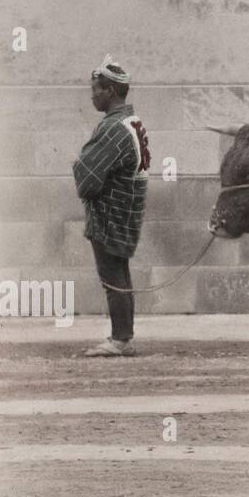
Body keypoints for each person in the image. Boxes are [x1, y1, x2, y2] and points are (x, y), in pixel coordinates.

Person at [72, 55, 150, 357]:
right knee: (120, 274)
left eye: (96, 89)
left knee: (112, 277)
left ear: (111, 92)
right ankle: (124, 336)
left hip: (111, 213)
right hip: (127, 210)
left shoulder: (113, 128)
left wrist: (77, 165)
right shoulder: (131, 122)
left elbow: (87, 178)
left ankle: (119, 339)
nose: (92, 95)